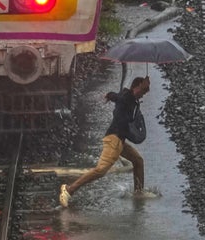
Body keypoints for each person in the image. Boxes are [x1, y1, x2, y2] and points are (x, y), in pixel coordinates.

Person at [60, 76, 150, 206]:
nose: (143, 94)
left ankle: (138, 193)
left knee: (138, 161)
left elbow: (116, 96)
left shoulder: (129, 99)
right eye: (143, 91)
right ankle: (69, 190)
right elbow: (122, 99)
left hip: (120, 141)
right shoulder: (127, 98)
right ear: (137, 86)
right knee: (100, 170)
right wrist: (139, 89)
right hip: (114, 139)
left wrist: (110, 95)